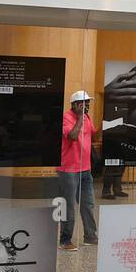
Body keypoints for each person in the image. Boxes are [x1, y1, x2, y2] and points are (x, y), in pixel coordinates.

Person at [58, 90, 96, 251]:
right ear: (74, 105)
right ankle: (65, 240)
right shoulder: (66, 117)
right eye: (83, 103)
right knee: (68, 206)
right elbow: (72, 136)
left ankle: (90, 236)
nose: (87, 106)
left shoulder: (87, 117)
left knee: (88, 204)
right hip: (68, 169)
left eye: (88, 102)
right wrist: (80, 117)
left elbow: (92, 133)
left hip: (85, 169)